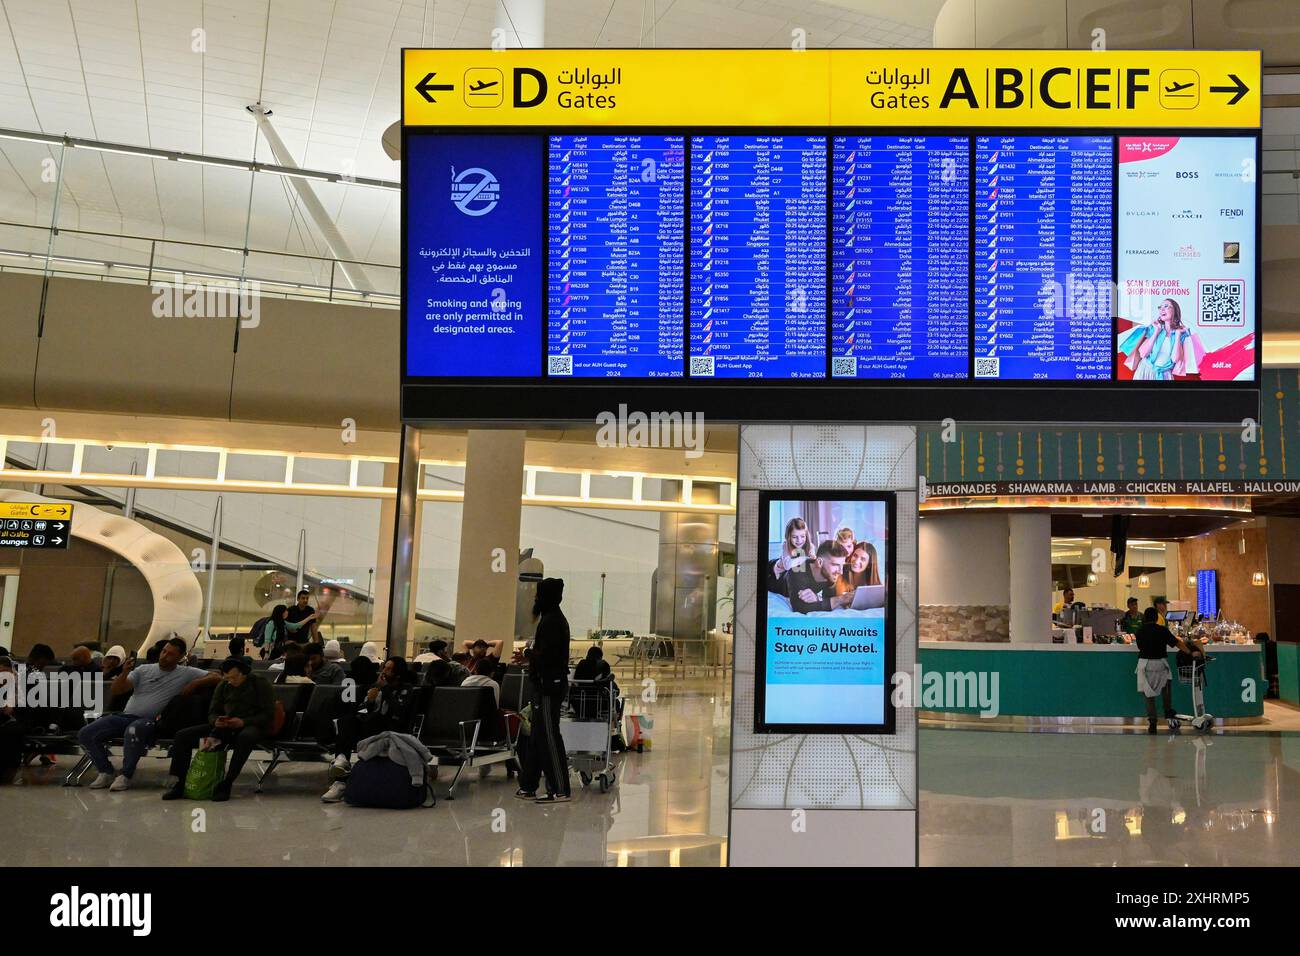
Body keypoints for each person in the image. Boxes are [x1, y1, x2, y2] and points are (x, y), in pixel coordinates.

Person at [78, 636, 218, 792]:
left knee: (134, 729)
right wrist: (124, 673)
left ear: (180, 657)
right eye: (164, 651)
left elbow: (217, 676)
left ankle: (125, 774)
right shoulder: (143, 670)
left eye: (170, 654)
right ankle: (106, 771)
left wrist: (195, 683)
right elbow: (117, 690)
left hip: (150, 722)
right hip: (126, 716)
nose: (164, 656)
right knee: (86, 733)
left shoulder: (186, 673)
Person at [163, 657, 275, 802]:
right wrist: (216, 721)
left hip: (252, 725)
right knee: (183, 736)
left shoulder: (260, 684)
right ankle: (179, 782)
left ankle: (227, 783)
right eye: (227, 678)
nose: (230, 681)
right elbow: (213, 711)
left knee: (246, 737)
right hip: (226, 725)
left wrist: (243, 722)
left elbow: (268, 714)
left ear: (244, 674)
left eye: (233, 678)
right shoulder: (224, 684)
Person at [321, 656, 418, 802]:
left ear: (398, 674)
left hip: (392, 729)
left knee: (361, 722)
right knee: (346, 721)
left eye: (389, 669)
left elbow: (400, 712)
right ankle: (341, 767)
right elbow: (360, 711)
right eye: (384, 667)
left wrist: (384, 690)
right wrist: (370, 702)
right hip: (371, 727)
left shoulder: (406, 690)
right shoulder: (374, 688)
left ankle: (341, 775)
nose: (384, 671)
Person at [516, 577, 571, 803]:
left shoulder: (552, 622)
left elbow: (548, 657)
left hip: (549, 687)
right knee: (538, 736)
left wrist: (528, 655)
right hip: (544, 685)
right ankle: (529, 785)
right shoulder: (550, 619)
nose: (535, 599)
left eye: (539, 595)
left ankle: (560, 789)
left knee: (548, 736)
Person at [1135, 607, 1193, 734]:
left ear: (1144, 618)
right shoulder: (1162, 630)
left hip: (1145, 664)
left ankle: (1152, 722)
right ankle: (1168, 712)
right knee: (1166, 687)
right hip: (1160, 663)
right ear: (1156, 618)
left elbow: (1139, 646)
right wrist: (1189, 652)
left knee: (1148, 695)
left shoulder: (1139, 631)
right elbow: (1176, 643)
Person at [1121, 298, 1199, 381]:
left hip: (1165, 374)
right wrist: (1156, 332)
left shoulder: (1182, 334)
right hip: (1145, 371)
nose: (1162, 309)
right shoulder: (1153, 328)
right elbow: (1143, 354)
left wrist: (1178, 335)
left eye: (1166, 306)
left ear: (1175, 311)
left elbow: (1175, 359)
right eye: (1160, 307)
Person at [785, 541, 854, 613]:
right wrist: (840, 599)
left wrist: (817, 598)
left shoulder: (829, 575)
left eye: (842, 565)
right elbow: (800, 607)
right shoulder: (797, 573)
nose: (840, 572)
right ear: (820, 562)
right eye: (835, 565)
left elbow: (829, 598)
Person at [765, 517, 815, 595]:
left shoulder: (810, 547)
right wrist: (805, 558)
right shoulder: (786, 545)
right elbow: (787, 566)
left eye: (802, 536)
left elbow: (812, 564)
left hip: (783, 574)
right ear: (789, 537)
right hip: (776, 565)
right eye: (794, 537)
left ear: (806, 535)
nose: (799, 540)